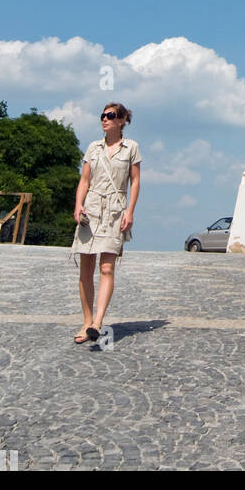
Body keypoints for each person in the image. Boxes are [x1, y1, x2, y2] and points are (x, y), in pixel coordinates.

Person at [71, 104, 141, 343]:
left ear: (122, 120)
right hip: (90, 210)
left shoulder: (131, 148)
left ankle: (98, 322)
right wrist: (78, 204)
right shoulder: (93, 148)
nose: (105, 119)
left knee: (107, 267)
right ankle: (86, 321)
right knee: (86, 268)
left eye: (110, 116)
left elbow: (135, 182)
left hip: (114, 211)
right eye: (102, 115)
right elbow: (84, 180)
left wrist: (129, 212)